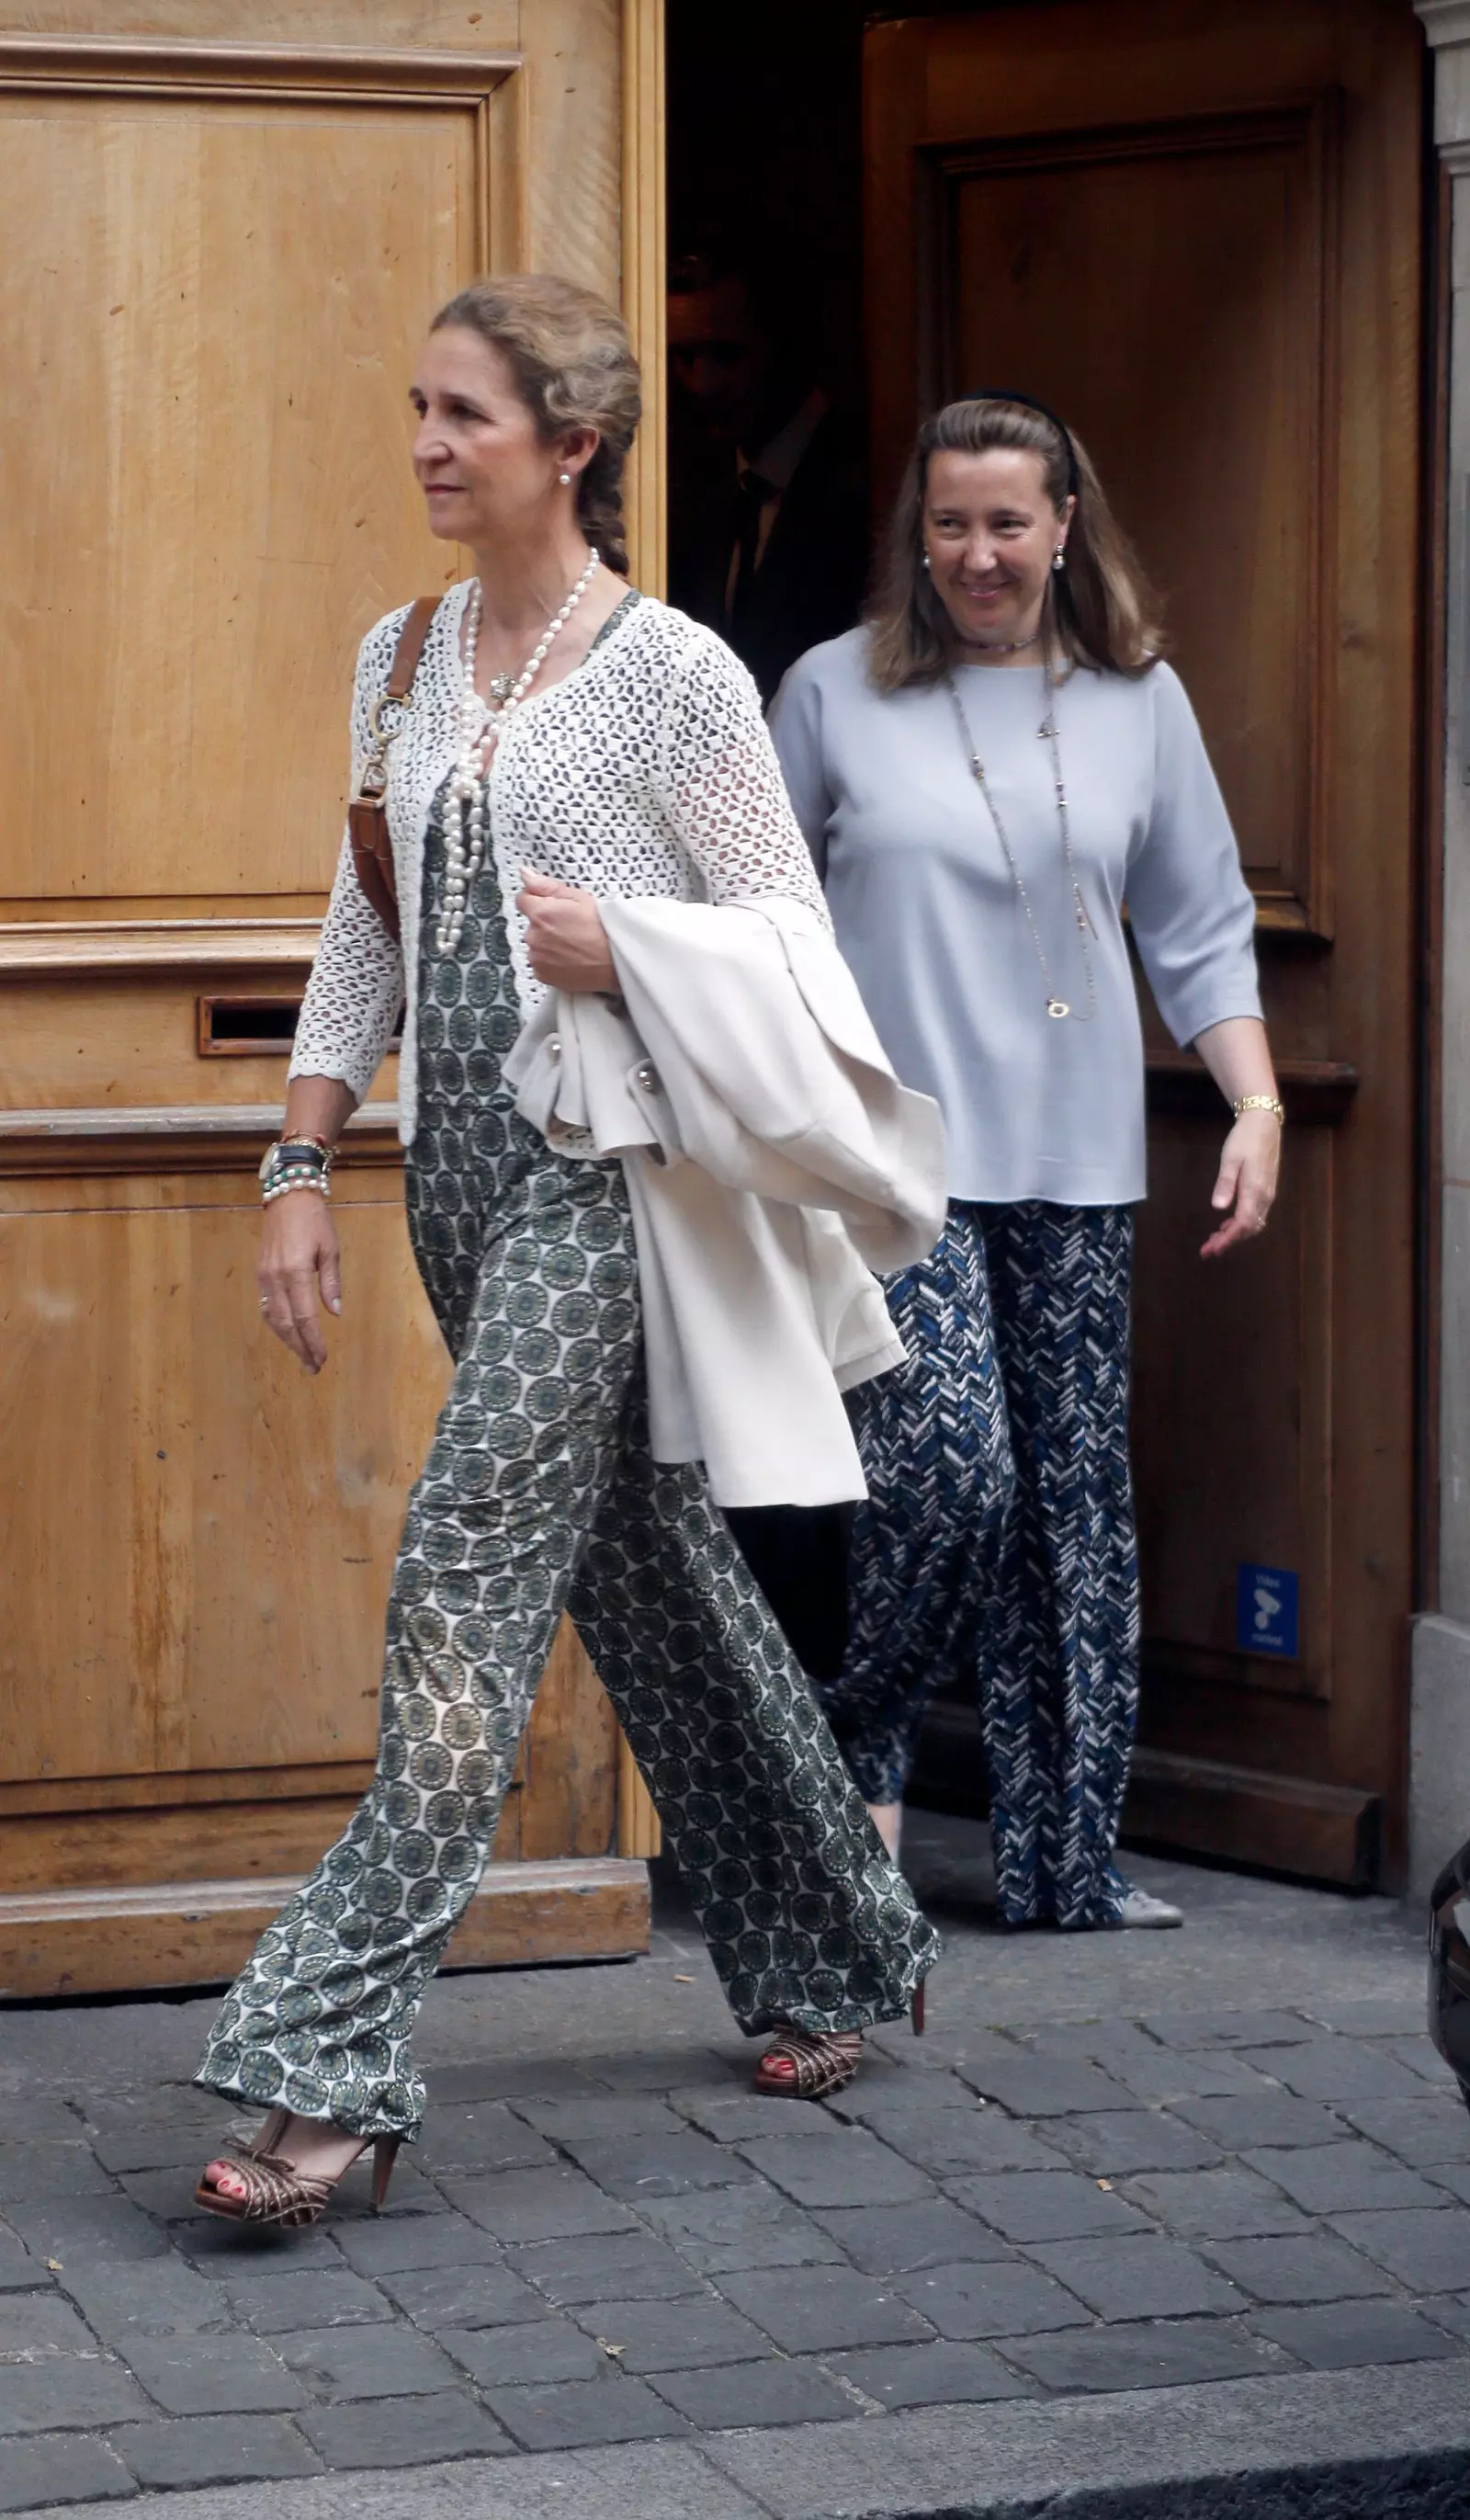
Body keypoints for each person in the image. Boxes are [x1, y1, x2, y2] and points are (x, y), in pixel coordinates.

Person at [189, 275, 939, 2230]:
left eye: (465, 414)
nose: (428, 444)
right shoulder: (401, 652)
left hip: (597, 1178)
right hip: (456, 1186)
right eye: (418, 407)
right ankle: (835, 1950)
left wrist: (630, 947)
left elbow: (791, 942)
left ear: (573, 443)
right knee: (648, 1565)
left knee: (459, 1576)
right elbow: (364, 926)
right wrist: (297, 1160)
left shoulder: (674, 670)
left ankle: (328, 2052)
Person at [769, 392, 1283, 1933]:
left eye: (1008, 521)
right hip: (893, 1166)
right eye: (950, 523)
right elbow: (761, 926)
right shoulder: (829, 694)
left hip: (1079, 1157)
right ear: (913, 540)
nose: (979, 553)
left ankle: (1066, 1862)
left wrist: (1254, 1104)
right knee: (951, 1482)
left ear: (1067, 528)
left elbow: (1199, 923)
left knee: (1073, 1509)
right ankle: (844, 1740)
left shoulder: (1139, 702)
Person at [667, 237, 869, 703]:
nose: (701, 383)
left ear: (787, 345)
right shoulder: (685, 490)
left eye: (727, 355)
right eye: (685, 357)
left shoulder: (868, 480)